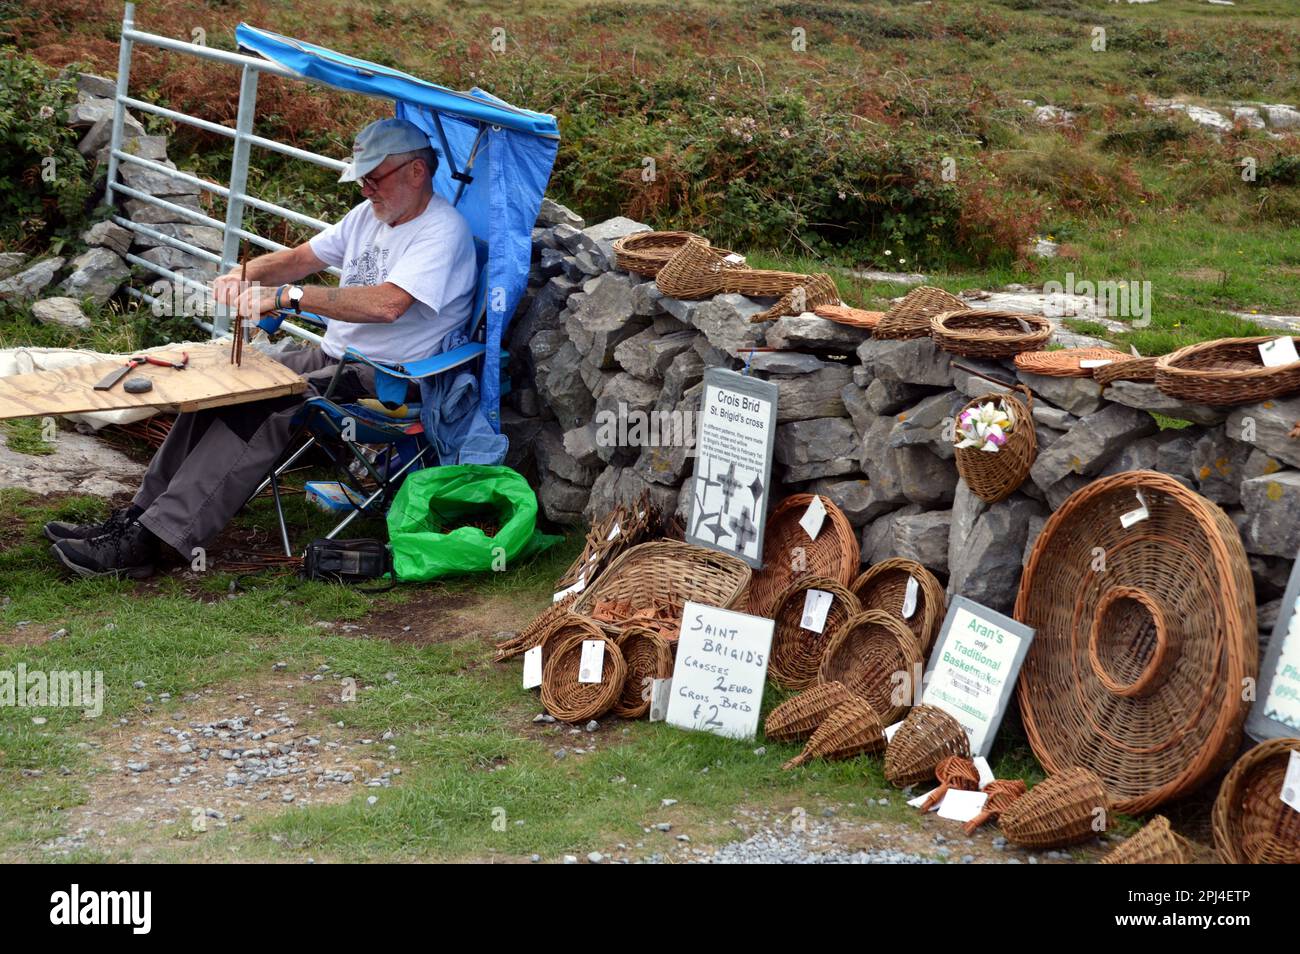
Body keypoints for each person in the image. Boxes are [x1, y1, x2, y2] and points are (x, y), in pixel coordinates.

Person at [48, 118, 479, 579]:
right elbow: (299, 259)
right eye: (362, 180)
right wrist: (246, 274)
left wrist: (290, 296)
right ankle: (137, 519)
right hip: (338, 359)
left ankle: (154, 541)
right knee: (221, 390)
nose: (367, 189)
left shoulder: (442, 231)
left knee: (259, 407)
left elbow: (389, 304)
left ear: (416, 172)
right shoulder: (369, 216)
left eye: (375, 178)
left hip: (390, 379)